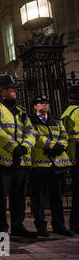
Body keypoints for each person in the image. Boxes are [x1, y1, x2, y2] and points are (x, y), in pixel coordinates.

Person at [0, 74, 37, 238]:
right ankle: (1, 228)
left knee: (19, 196)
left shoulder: (21, 110)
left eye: (14, 88)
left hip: (21, 159)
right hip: (3, 160)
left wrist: (25, 147)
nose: (14, 91)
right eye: (10, 88)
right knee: (1, 197)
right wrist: (14, 147)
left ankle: (18, 225)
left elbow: (31, 131)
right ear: (1, 92)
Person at [29, 94, 73, 237]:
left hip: (57, 165)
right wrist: (53, 145)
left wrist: (61, 146)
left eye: (46, 103)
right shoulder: (31, 121)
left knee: (56, 198)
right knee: (38, 198)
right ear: (35, 106)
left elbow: (64, 136)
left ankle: (59, 225)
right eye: (41, 103)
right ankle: (41, 226)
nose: (44, 105)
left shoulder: (57, 121)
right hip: (40, 164)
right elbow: (34, 136)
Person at [61, 85, 79, 234]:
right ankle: (76, 224)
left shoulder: (66, 113)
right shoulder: (77, 112)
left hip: (72, 157)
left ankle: (75, 223)